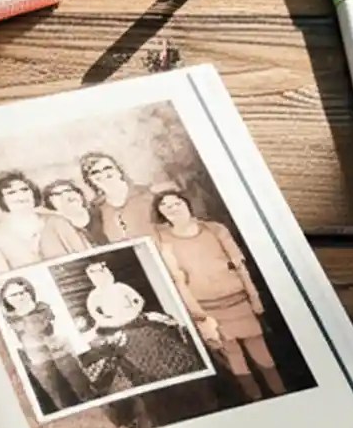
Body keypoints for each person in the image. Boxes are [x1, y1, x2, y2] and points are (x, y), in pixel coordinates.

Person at [151, 190, 285, 401]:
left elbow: (240, 265)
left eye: (176, 203)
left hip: (237, 300)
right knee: (232, 355)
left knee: (260, 349)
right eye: (165, 206)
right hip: (207, 307)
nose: (172, 208)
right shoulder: (163, 240)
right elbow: (176, 279)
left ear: (187, 204)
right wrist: (197, 315)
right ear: (161, 213)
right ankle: (255, 398)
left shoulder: (215, 229)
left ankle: (281, 393)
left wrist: (254, 297)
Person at [0, 276, 94, 414]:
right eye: (14, 294)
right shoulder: (9, 320)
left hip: (62, 353)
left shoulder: (44, 308)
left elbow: (57, 328)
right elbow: (14, 343)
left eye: (24, 291)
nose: (21, 296)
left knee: (81, 386)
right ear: (6, 299)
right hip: (39, 361)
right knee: (61, 396)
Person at [0, 171, 89, 273]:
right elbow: (3, 278)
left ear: (33, 193)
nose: (20, 195)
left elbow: (87, 259)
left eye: (24, 189)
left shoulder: (58, 222)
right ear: (2, 199)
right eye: (11, 192)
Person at [79, 152, 158, 245]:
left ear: (119, 171)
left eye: (107, 168)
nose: (103, 174)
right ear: (89, 180)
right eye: (95, 172)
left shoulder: (148, 195)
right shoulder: (95, 210)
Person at [43, 179, 107, 247]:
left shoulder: (101, 211)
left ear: (80, 195)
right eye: (57, 194)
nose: (66, 196)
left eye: (69, 191)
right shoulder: (57, 232)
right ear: (51, 204)